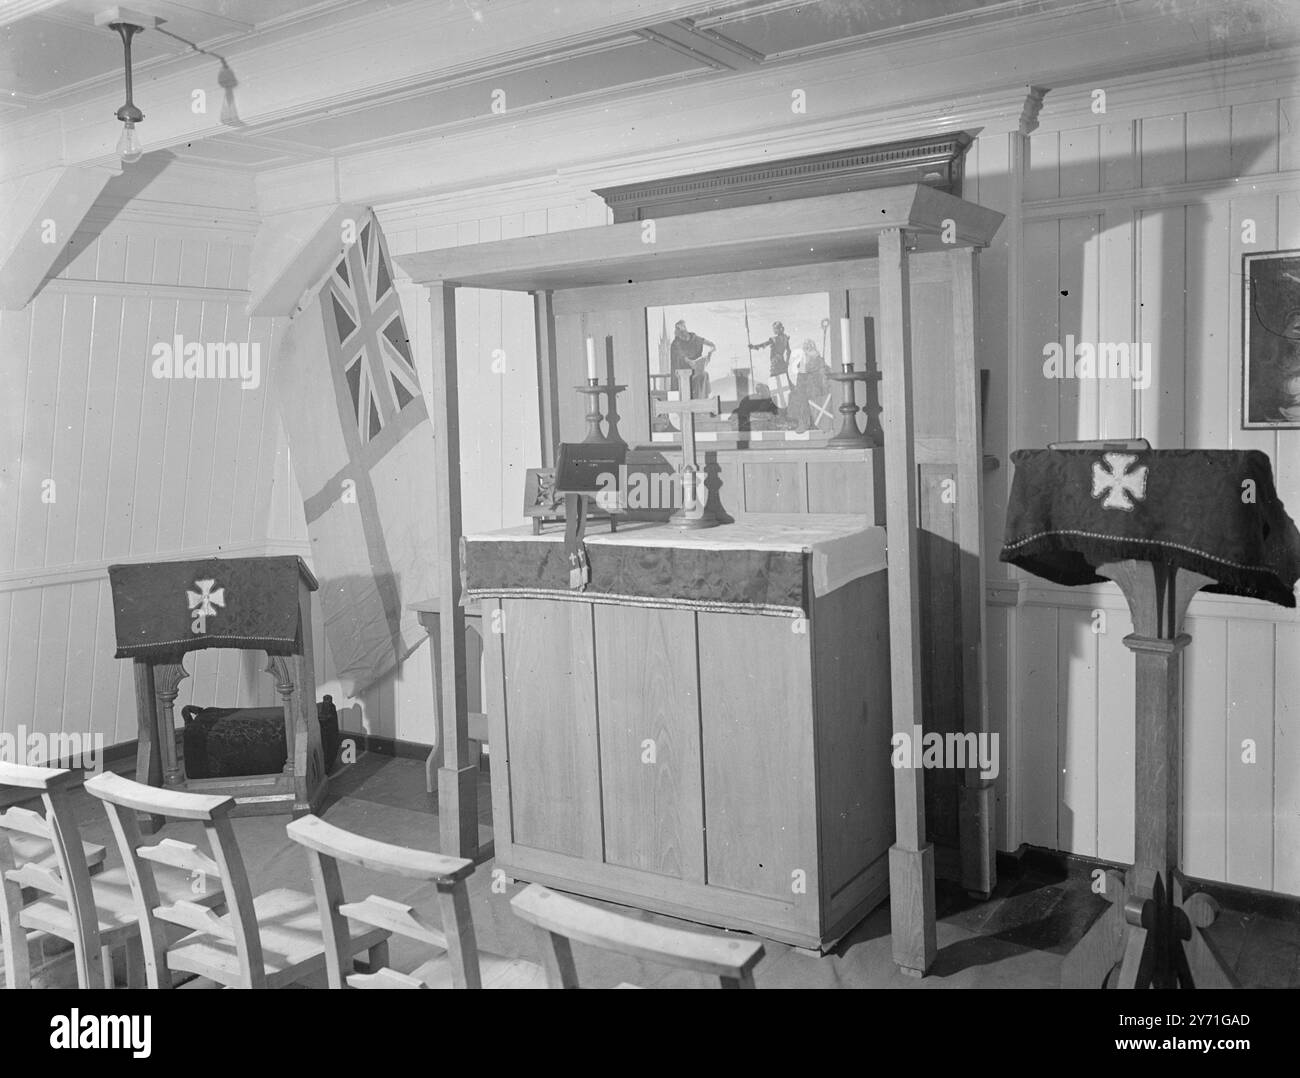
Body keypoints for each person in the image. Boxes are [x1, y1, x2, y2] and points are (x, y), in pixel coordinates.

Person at [786, 340, 832, 434]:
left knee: (807, 399)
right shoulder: (805, 359)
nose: (806, 349)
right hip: (806, 387)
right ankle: (800, 422)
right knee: (795, 397)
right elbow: (801, 376)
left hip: (816, 388)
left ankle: (809, 424)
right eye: (805, 347)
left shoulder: (817, 360)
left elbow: (820, 376)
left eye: (808, 347)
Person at [749, 321, 791, 411]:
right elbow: (789, 352)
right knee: (784, 386)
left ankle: (775, 408)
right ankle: (784, 408)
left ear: (777, 329)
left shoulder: (774, 339)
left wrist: (753, 347)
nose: (773, 330)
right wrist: (787, 363)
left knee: (774, 386)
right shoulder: (785, 338)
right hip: (783, 364)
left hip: (775, 364)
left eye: (774, 329)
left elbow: (763, 345)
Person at [669, 320, 714, 398]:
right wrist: (689, 361)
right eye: (678, 331)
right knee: (701, 376)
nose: (681, 334)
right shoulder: (676, 343)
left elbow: (705, 342)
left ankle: (702, 399)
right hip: (682, 375)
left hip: (695, 372)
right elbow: (681, 356)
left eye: (682, 331)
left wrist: (712, 347)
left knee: (704, 374)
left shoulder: (694, 338)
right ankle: (699, 399)